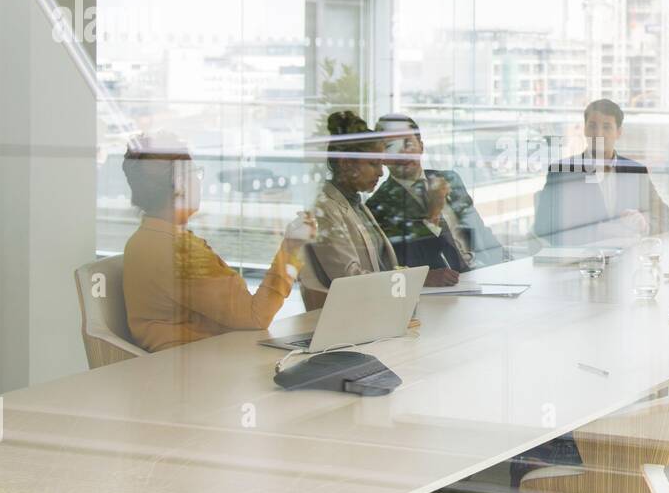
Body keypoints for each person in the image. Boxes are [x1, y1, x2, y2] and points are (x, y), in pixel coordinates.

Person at [121, 133, 315, 353]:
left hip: (178, 365)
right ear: (180, 183)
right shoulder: (180, 252)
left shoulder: (141, 240)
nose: (199, 180)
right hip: (205, 368)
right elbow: (256, 316)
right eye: (195, 172)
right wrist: (291, 248)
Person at [303, 111, 457, 311]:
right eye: (373, 163)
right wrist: (417, 279)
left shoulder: (356, 205)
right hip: (352, 319)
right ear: (346, 163)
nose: (381, 171)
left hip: (376, 312)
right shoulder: (325, 211)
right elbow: (350, 279)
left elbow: (382, 266)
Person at [367, 113, 505, 271]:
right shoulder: (379, 205)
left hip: (485, 273)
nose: (402, 153)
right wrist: (434, 214)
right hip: (448, 286)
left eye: (408, 143)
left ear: (421, 146)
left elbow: (481, 233)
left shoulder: (450, 178)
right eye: (391, 146)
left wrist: (507, 266)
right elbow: (410, 263)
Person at [532, 99, 669, 246]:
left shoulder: (635, 171)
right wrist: (598, 231)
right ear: (585, 129)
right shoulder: (562, 171)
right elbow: (543, 227)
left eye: (606, 127)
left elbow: (666, 216)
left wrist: (644, 225)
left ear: (618, 132)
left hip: (628, 261)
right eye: (592, 126)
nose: (598, 133)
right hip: (580, 262)